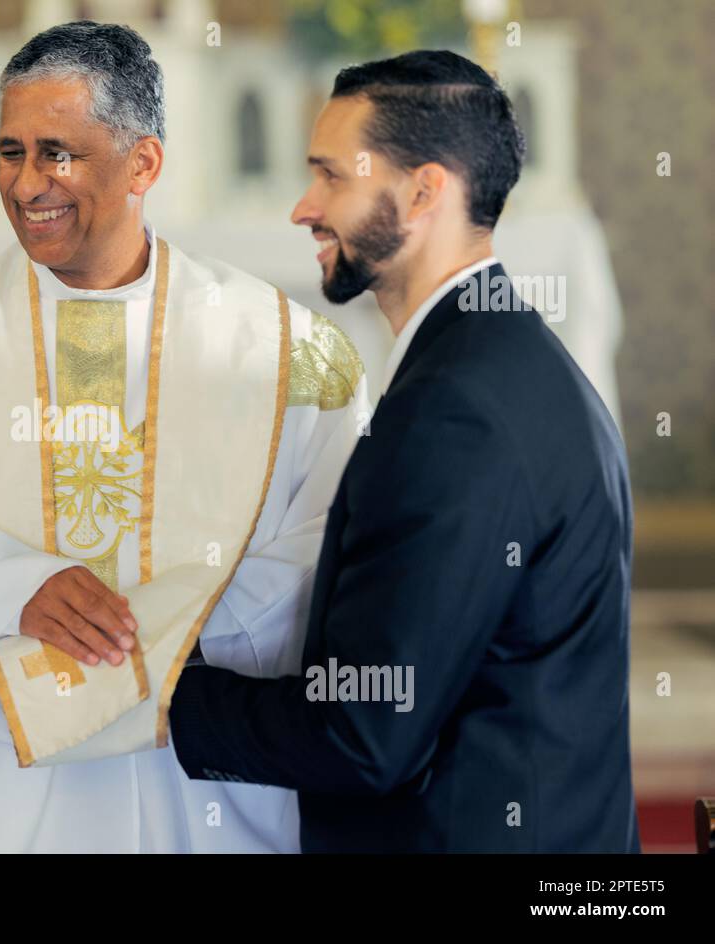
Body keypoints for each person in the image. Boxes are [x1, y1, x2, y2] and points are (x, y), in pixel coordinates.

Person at [0, 21, 367, 853]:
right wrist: (14, 591)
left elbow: (331, 546)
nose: (29, 183)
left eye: (57, 153)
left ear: (143, 163)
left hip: (195, 779)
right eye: (10, 152)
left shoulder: (281, 346)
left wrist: (137, 643)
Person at [167, 50, 640, 853]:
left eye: (332, 177)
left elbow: (364, 735)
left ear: (425, 191)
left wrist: (153, 694)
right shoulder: (510, 358)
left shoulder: (456, 410)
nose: (303, 207)